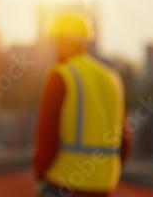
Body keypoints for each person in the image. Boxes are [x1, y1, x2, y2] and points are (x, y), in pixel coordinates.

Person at [33, 13, 131, 197]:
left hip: (63, 182)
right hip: (103, 185)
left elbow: (47, 135)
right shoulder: (112, 78)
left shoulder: (60, 75)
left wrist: (39, 173)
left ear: (62, 41)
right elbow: (124, 139)